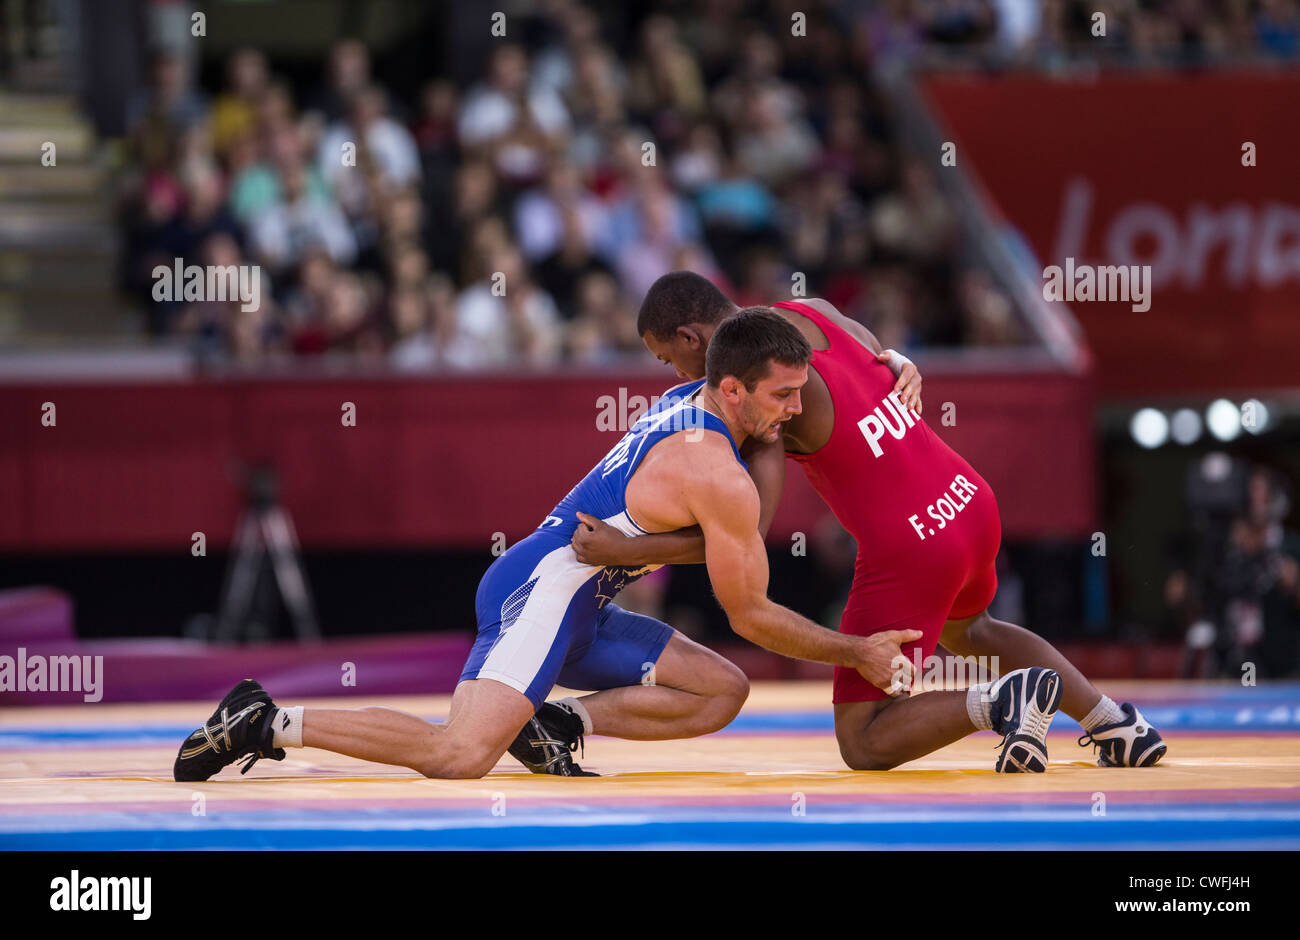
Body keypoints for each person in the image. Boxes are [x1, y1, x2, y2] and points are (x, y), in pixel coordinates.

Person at [178, 308, 1059, 780]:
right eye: (784, 396)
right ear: (733, 388)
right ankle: (265, 719)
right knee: (457, 755)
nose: (798, 411)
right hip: (547, 588)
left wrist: (889, 352)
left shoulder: (697, 413)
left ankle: (557, 723)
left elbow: (681, 545)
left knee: (719, 692)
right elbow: (748, 610)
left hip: (587, 587)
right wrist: (853, 649)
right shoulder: (715, 474)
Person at [572, 270, 1167, 771]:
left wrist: (628, 549)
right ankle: (1115, 725)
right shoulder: (811, 309)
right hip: (969, 499)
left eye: (668, 358)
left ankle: (1001, 701)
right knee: (974, 629)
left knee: (861, 739)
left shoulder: (762, 398)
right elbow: (880, 355)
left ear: (690, 335)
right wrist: (905, 364)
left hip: (913, 547)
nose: (676, 375)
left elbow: (744, 535)